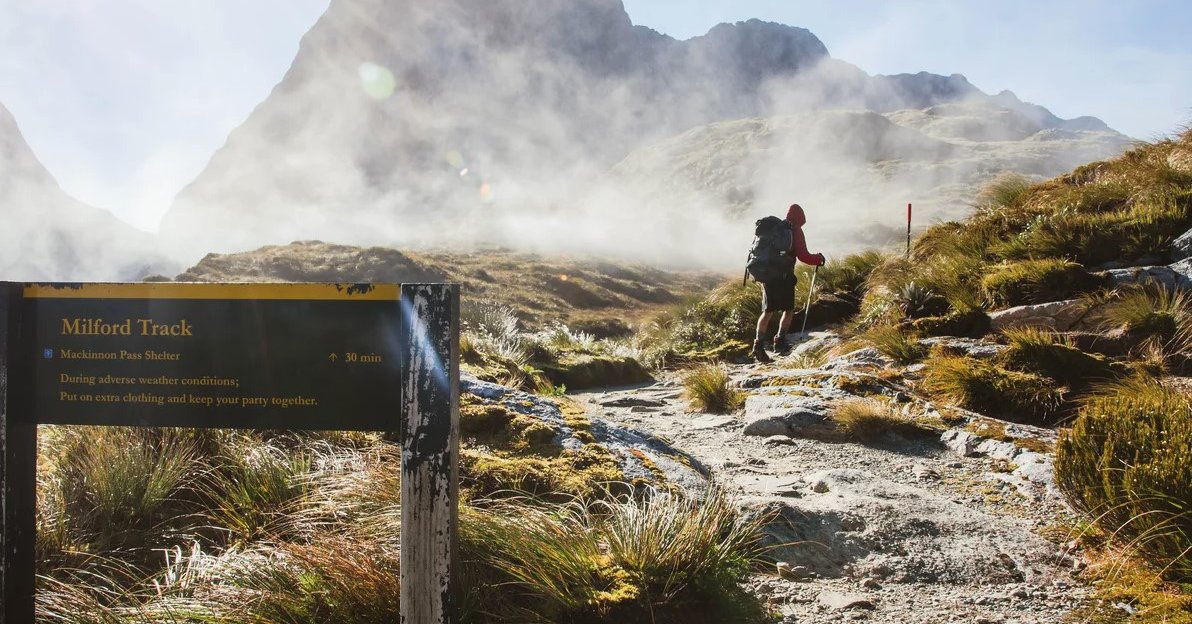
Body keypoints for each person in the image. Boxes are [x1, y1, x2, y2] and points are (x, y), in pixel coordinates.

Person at [752, 203, 825, 363]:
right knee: (788, 309)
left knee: (768, 311)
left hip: (767, 275)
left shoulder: (776, 230)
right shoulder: (795, 231)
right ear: (801, 218)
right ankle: (780, 341)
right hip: (784, 276)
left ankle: (758, 346)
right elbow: (804, 256)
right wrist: (819, 259)